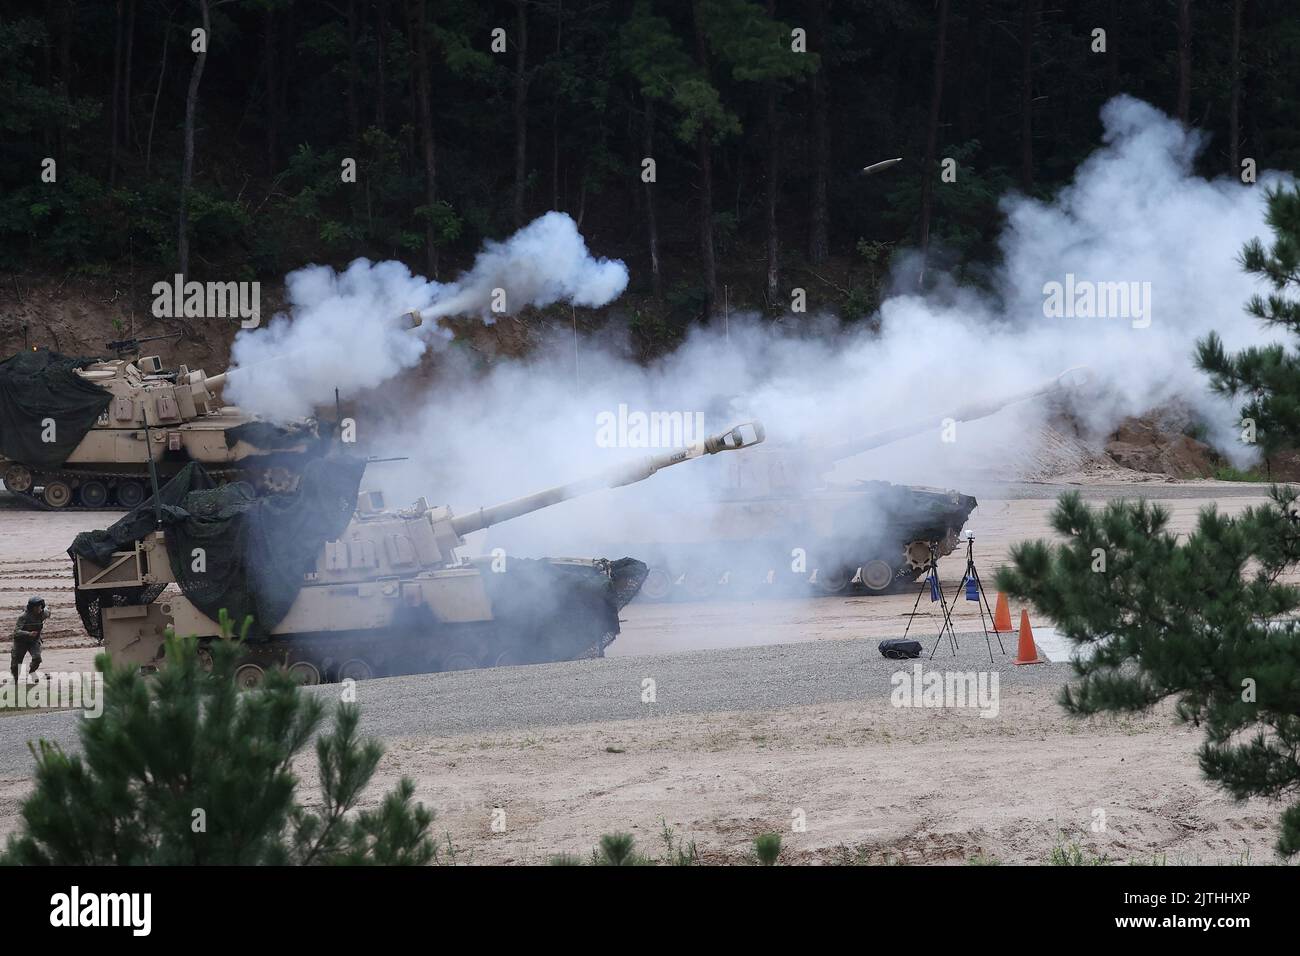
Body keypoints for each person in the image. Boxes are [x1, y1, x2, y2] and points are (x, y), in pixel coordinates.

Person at [11, 596, 48, 683]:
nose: (38, 609)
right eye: (36, 607)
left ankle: (32, 672)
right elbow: (16, 632)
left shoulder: (44, 613)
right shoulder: (23, 617)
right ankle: (15, 678)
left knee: (37, 658)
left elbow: (48, 611)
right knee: (16, 663)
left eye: (40, 606)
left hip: (34, 641)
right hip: (21, 641)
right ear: (31, 608)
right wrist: (28, 633)